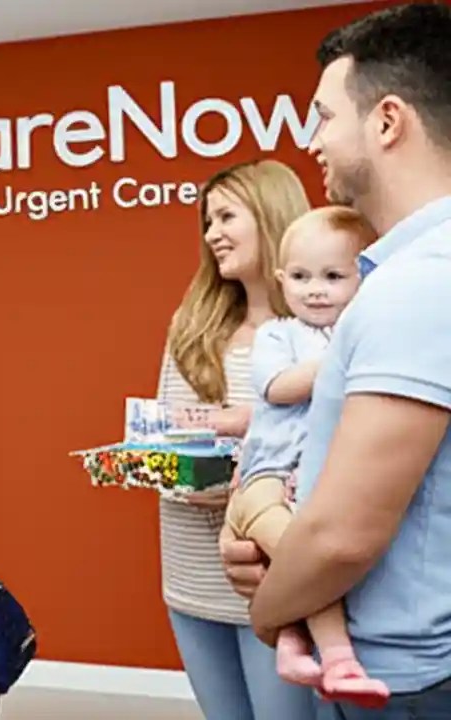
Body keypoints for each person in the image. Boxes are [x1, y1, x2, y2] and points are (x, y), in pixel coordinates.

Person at [221, 3, 451, 716]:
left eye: (323, 116)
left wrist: (271, 612)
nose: (313, 141)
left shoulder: (417, 285)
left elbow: (344, 537)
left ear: (386, 121)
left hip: (406, 678)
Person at [156, 158, 318, 719]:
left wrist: (245, 485)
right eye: (207, 221)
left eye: (226, 216)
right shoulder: (192, 323)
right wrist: (167, 467)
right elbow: (168, 434)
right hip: (189, 577)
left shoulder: (321, 335)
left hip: (275, 577)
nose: (211, 234)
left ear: (270, 214)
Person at [222, 206, 385, 707]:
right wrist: (341, 359)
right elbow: (280, 386)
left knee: (303, 561)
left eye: (333, 277)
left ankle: (294, 642)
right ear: (280, 279)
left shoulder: (360, 334)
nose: (315, 289)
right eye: (300, 276)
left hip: (315, 481)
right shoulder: (280, 334)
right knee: (301, 552)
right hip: (267, 478)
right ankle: (337, 656)